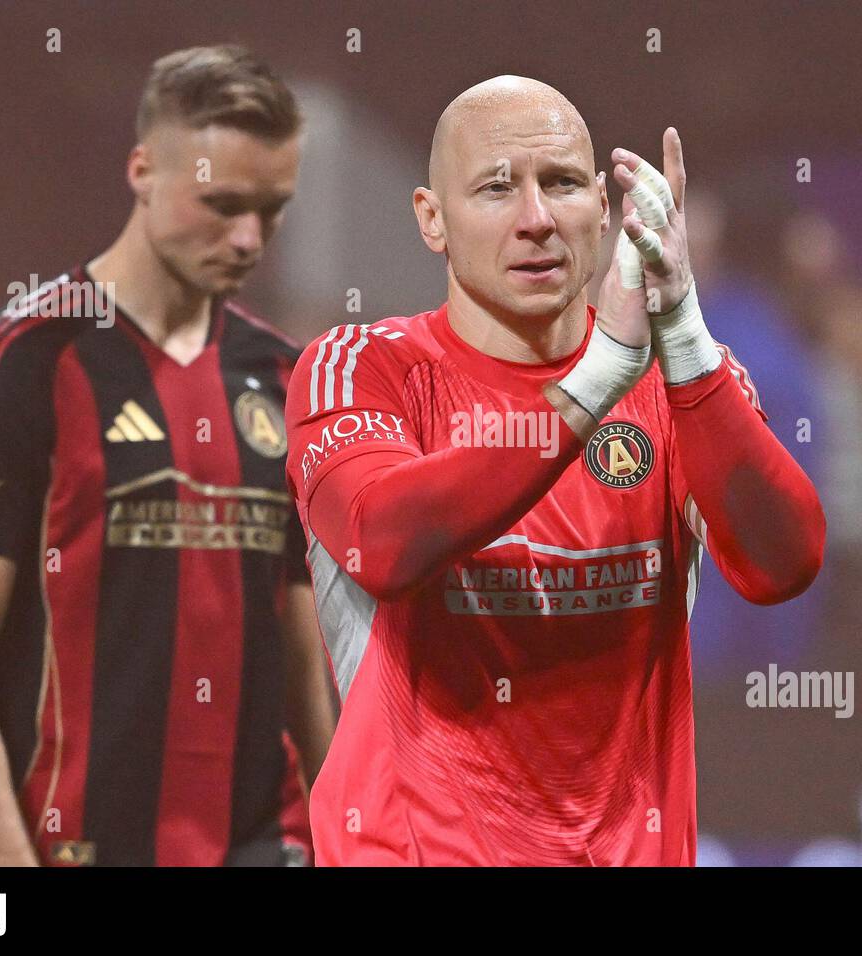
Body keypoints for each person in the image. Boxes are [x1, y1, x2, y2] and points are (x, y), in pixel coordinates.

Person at [285, 75, 824, 865]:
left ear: (604, 211)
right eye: (497, 188)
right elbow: (384, 542)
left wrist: (685, 337)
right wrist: (600, 376)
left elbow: (786, 563)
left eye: (563, 183)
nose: (536, 219)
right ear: (431, 220)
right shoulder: (361, 368)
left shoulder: (681, 382)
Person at [0, 45, 335, 866]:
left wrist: (343, 840)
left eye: (272, 210)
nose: (249, 238)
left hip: (259, 846)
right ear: (141, 170)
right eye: (221, 203)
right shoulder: (19, 361)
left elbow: (301, 659)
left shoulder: (285, 378)